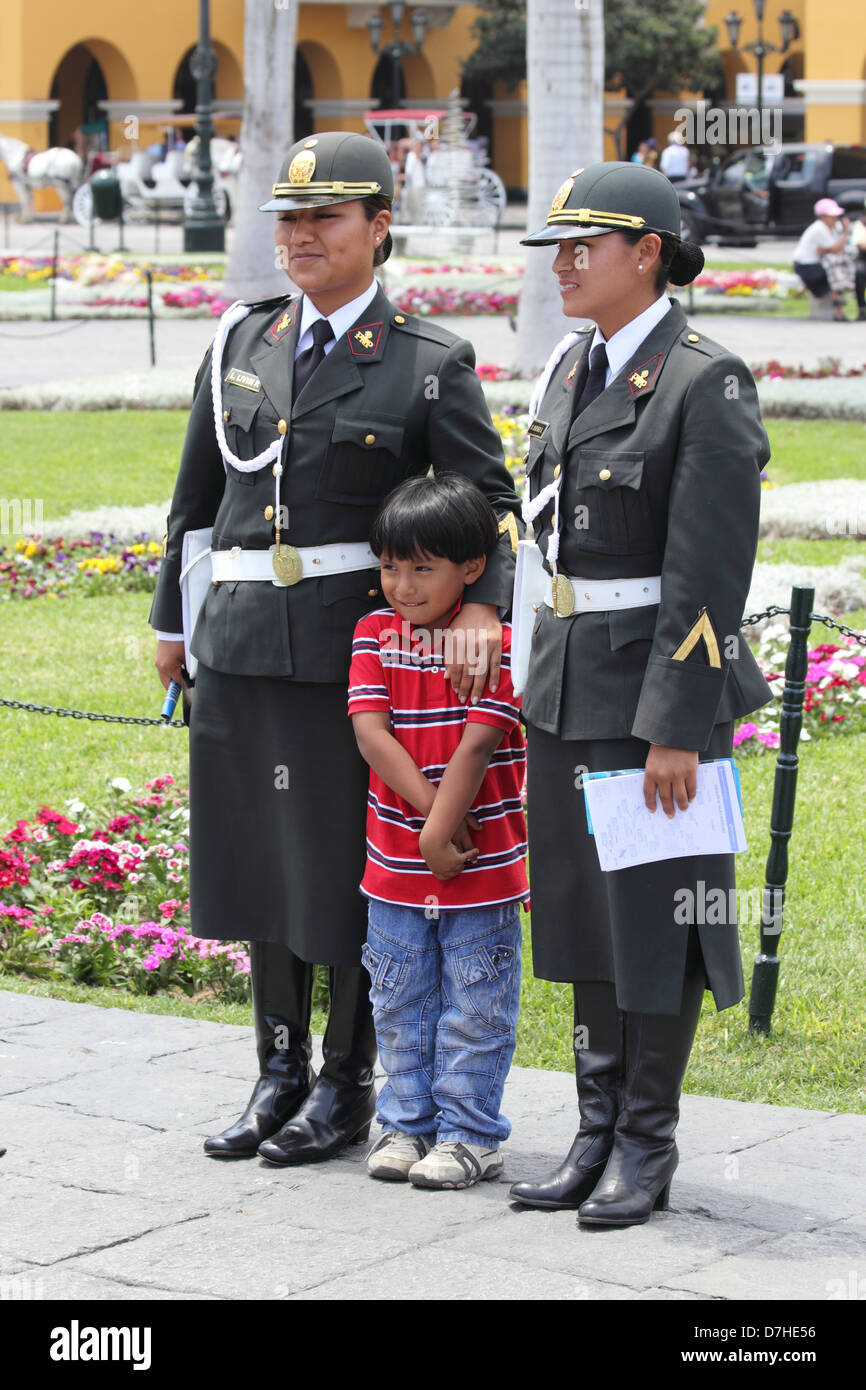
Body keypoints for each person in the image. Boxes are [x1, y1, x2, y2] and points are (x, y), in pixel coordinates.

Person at [150, 131, 522, 1168]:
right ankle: (276, 1071)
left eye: (324, 217)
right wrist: (171, 625)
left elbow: (485, 504)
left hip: (351, 660)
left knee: (343, 874)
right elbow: (197, 499)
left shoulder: (426, 361)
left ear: (378, 229)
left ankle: (348, 1083)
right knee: (260, 873)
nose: (300, 234)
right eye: (289, 217)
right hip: (238, 648)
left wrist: (481, 611)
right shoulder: (239, 343)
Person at [508, 161, 772, 1227]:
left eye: (586, 246)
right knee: (581, 915)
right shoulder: (570, 368)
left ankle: (644, 1144)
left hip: (652, 699)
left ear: (647, 254)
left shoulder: (703, 381)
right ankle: (591, 1126)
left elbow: (709, 573)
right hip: (569, 683)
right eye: (557, 247)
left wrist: (674, 727)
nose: (563, 263)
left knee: (655, 918)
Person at [348, 474, 529, 1190]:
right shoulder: (373, 634)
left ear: (473, 568)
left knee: (475, 1004)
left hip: (478, 870)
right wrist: (429, 827)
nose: (402, 585)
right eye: (390, 566)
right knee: (399, 999)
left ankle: (469, 1133)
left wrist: (442, 835)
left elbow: (480, 744)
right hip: (395, 865)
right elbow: (371, 735)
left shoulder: (497, 645)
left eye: (423, 567)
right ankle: (404, 1123)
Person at [793, 198, 852, 321]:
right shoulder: (820, 228)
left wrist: (830, 249)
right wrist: (846, 232)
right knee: (837, 269)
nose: (835, 218)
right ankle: (837, 308)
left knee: (838, 264)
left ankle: (837, 306)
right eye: (832, 216)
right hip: (807, 267)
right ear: (822, 216)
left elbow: (835, 249)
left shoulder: (829, 228)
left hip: (814, 265)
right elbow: (837, 248)